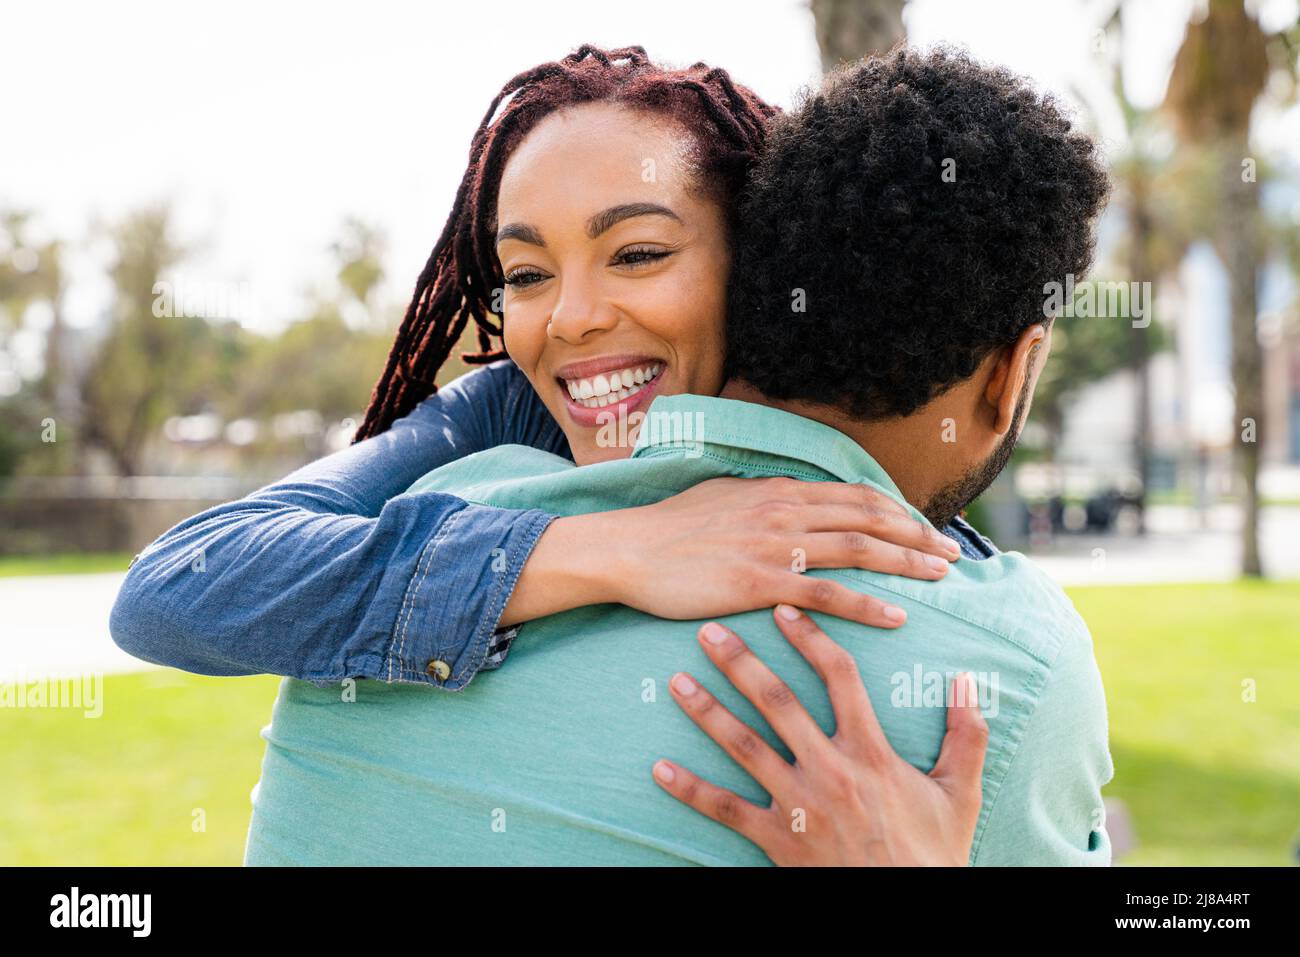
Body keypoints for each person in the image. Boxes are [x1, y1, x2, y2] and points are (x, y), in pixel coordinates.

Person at [242, 45, 1113, 866]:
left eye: (639, 255)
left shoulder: (398, 551)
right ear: (1015, 370)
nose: (576, 316)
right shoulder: (1008, 663)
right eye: (527, 272)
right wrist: (620, 548)